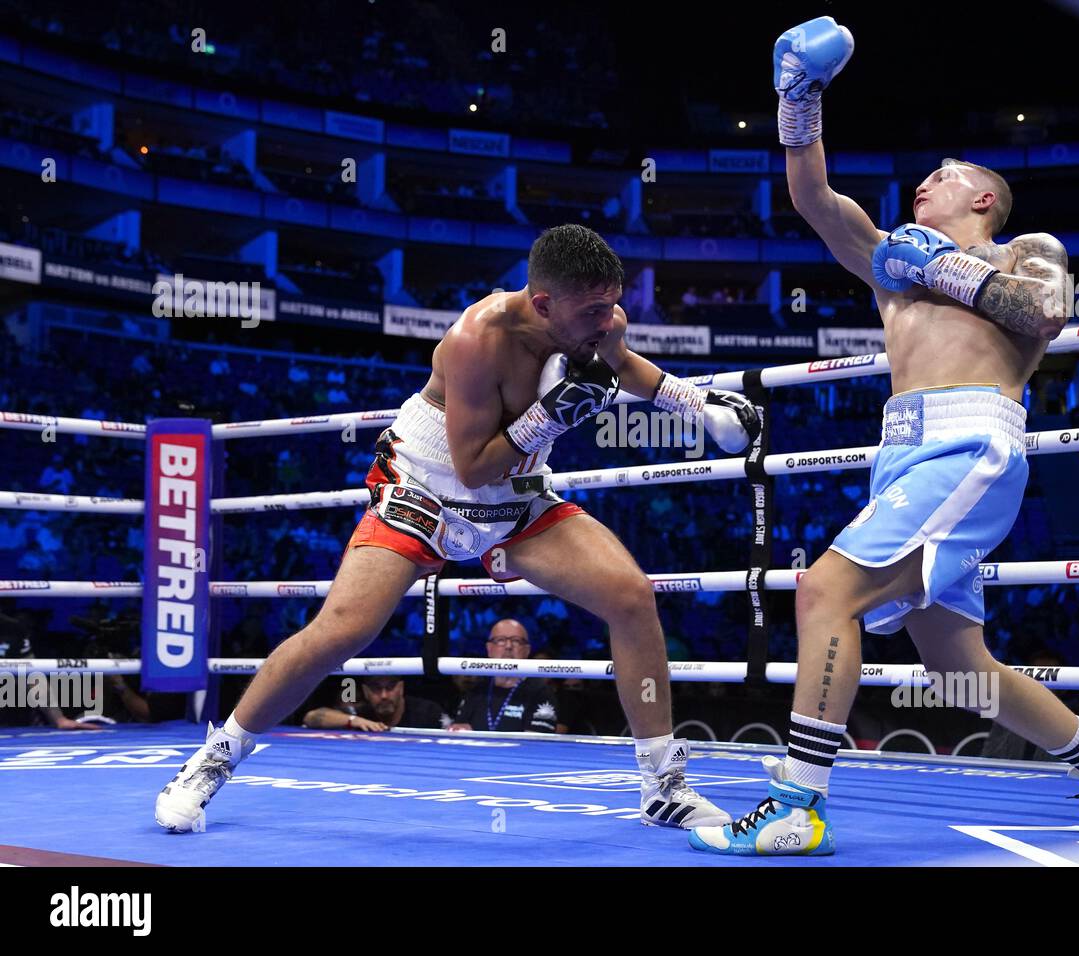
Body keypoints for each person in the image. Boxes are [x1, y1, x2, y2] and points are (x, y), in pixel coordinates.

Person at [690, 16, 1079, 856]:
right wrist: (798, 100)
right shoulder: (891, 261)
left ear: (984, 199)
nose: (926, 184)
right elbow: (812, 199)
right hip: (901, 453)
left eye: (945, 176)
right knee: (958, 666)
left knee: (824, 593)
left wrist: (938, 263)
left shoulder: (1030, 248)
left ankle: (796, 804)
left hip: (969, 443)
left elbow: (1045, 315)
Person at [157, 223, 761, 833]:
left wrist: (698, 406)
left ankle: (662, 785)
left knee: (631, 596)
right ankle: (215, 757)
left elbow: (623, 364)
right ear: (545, 304)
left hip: (514, 496)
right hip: (428, 487)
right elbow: (472, 468)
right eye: (593, 309)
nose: (608, 320)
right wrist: (549, 418)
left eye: (612, 302)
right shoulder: (477, 340)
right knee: (344, 629)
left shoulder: (602, 320)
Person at [448, 619, 557, 733]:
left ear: (527, 650)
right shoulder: (478, 689)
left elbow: (535, 743)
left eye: (516, 641)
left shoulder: (541, 692)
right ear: (489, 649)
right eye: (501, 640)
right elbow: (458, 730)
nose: (508, 646)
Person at [303, 676, 446, 732]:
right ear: (365, 692)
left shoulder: (427, 711)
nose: (384, 695)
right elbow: (311, 717)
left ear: (401, 688)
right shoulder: (361, 714)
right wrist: (353, 720)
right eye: (376, 688)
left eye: (390, 687)